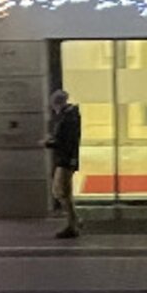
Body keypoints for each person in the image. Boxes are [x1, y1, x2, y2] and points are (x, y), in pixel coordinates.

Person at [45, 89, 83, 239]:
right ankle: (74, 220)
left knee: (62, 192)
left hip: (66, 160)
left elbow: (65, 141)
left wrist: (49, 143)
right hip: (66, 159)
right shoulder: (69, 116)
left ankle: (72, 225)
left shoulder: (67, 118)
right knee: (61, 191)